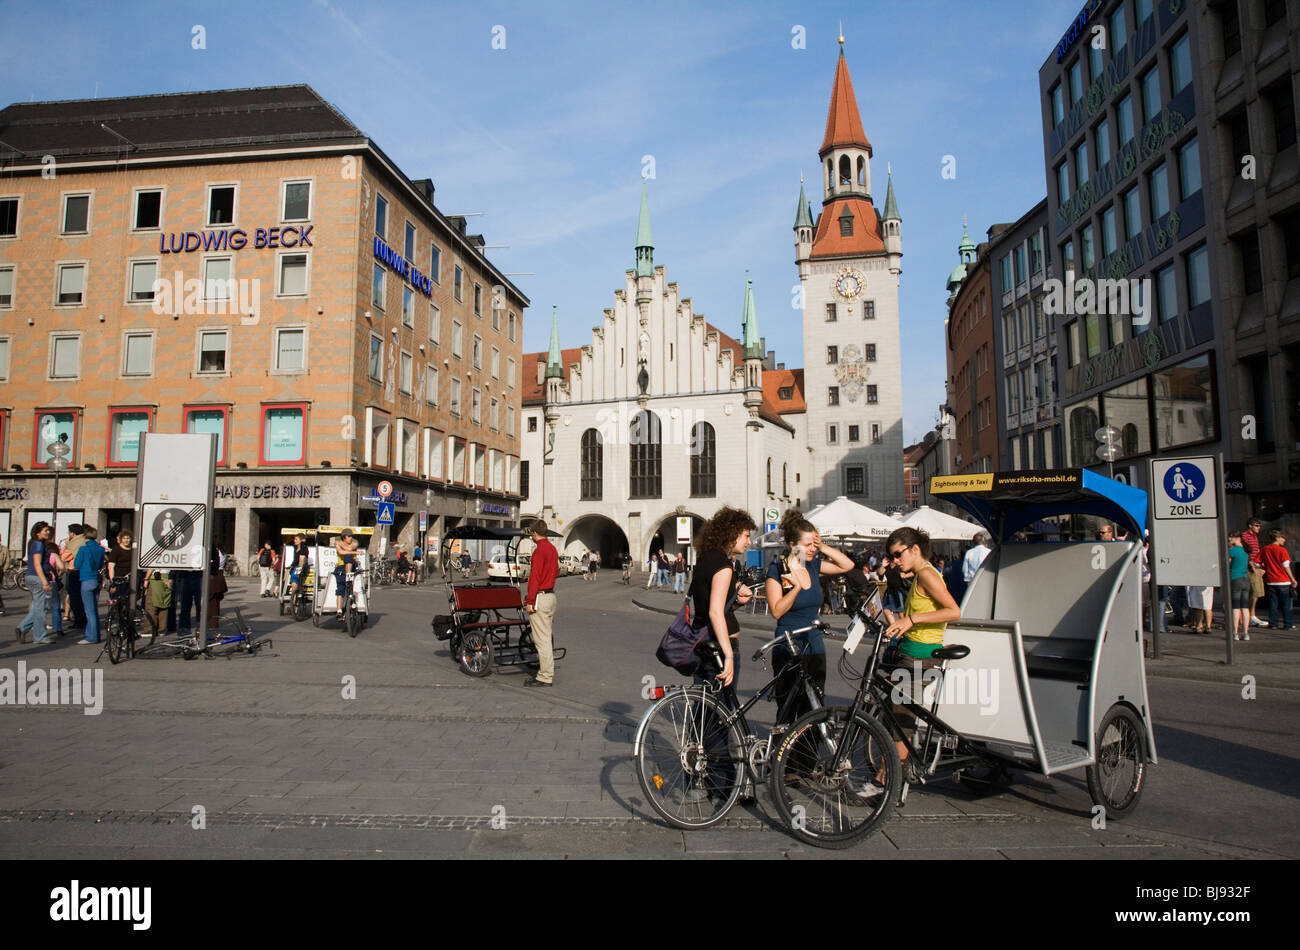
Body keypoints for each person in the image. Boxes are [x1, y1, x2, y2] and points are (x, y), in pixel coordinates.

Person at [866, 525, 960, 795]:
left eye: (897, 555)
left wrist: (911, 619)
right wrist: (898, 627)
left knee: (901, 718)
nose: (894, 561)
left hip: (921, 657)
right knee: (893, 711)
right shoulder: (920, 575)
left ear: (914, 550)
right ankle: (895, 771)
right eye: (892, 556)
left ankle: (886, 780)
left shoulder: (927, 575)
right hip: (911, 652)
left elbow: (953, 611)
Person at [764, 510, 853, 730]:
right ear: (793, 544)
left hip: (814, 645)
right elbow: (776, 611)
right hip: (788, 645)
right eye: (807, 544)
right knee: (788, 709)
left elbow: (847, 565)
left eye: (814, 544)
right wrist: (795, 587)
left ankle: (808, 762)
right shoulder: (778, 570)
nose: (812, 549)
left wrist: (822, 546)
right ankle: (782, 761)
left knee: (814, 709)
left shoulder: (812, 565)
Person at [523, 519, 559, 687]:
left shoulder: (539, 551)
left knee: (541, 639)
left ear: (534, 533)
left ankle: (545, 675)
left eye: (531, 534)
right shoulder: (552, 549)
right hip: (551, 596)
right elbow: (556, 572)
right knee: (547, 635)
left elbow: (534, 578)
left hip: (540, 597)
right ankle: (547, 671)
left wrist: (530, 600)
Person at [15, 523, 55, 645]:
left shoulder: (36, 544)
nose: (48, 532)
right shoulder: (38, 545)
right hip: (37, 577)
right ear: (38, 533)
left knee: (40, 607)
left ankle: (22, 627)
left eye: (48, 530)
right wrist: (44, 581)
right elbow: (37, 564)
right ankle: (40, 636)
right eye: (45, 530)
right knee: (41, 608)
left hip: (33, 577)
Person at [73, 526, 106, 645]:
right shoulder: (101, 549)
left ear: (85, 536)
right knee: (94, 610)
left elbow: (76, 564)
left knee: (89, 611)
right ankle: (94, 634)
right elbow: (101, 564)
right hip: (96, 579)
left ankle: (91, 636)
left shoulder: (83, 549)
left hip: (86, 579)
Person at [1261, 531, 1297, 630]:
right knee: (1286, 604)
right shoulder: (1282, 550)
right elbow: (1286, 566)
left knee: (1273, 603)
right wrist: (1292, 579)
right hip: (1283, 580)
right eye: (1282, 538)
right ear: (1277, 538)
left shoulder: (1264, 549)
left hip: (1270, 580)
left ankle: (1273, 624)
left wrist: (1265, 567)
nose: (1284, 540)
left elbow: (1257, 563)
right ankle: (1288, 624)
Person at [61, 524, 88, 629]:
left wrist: (66, 545)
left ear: (72, 533)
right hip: (84, 571)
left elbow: (64, 556)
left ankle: (79, 621)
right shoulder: (85, 540)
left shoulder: (73, 543)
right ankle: (83, 619)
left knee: (74, 597)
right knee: (82, 597)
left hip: (73, 571)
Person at [1241, 518, 1267, 628]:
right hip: (1249, 567)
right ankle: (1250, 616)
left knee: (1257, 592)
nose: (1258, 527)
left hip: (1256, 566)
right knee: (1253, 591)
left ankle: (1252, 615)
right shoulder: (1245, 536)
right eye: (1256, 525)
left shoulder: (1254, 536)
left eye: (1259, 525)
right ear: (1250, 526)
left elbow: (1256, 552)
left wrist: (1260, 564)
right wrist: (1250, 564)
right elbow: (1244, 551)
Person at [1227, 533, 1252, 642]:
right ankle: (1246, 633)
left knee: (1235, 607)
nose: (1229, 540)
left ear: (1237, 538)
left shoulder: (1232, 550)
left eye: (1230, 538)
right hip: (1246, 579)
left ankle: (1235, 632)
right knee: (1245, 607)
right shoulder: (1246, 551)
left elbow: (1226, 563)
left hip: (1235, 578)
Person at [333, 529, 359, 612]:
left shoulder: (355, 542)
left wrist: (340, 544)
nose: (351, 538)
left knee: (348, 556)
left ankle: (348, 576)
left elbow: (350, 548)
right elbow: (340, 552)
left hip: (352, 566)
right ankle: (339, 610)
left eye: (351, 536)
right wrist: (356, 552)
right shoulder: (338, 542)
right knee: (340, 588)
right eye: (349, 536)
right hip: (341, 566)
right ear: (344, 537)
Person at [144, 569, 172, 638]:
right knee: (164, 604)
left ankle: (150, 630)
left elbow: (152, 567)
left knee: (151, 605)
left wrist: (146, 580)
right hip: (168, 577)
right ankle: (162, 629)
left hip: (156, 578)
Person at [881, 553, 907, 625]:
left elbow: (914, 572)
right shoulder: (887, 566)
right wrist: (882, 565)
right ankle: (894, 628)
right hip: (890, 591)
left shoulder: (900, 566)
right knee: (886, 610)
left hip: (899, 591)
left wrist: (905, 575)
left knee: (900, 611)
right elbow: (880, 573)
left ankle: (904, 629)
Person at [288, 532, 311, 602]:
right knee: (294, 585)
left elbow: (302, 560)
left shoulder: (304, 548)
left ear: (301, 540)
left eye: (296, 539)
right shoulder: (295, 547)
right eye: (294, 539)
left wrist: (299, 569)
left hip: (301, 567)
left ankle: (300, 594)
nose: (294, 541)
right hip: (294, 567)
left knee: (298, 578)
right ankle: (293, 601)